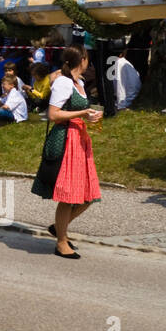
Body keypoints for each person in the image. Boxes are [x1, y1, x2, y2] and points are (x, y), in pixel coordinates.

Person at [30, 46, 102, 260]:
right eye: (87, 58)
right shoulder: (63, 82)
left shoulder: (78, 83)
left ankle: (59, 227)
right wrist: (83, 112)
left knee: (88, 194)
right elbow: (53, 114)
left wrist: (89, 117)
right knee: (68, 196)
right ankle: (61, 242)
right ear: (82, 60)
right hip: (65, 139)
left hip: (79, 139)